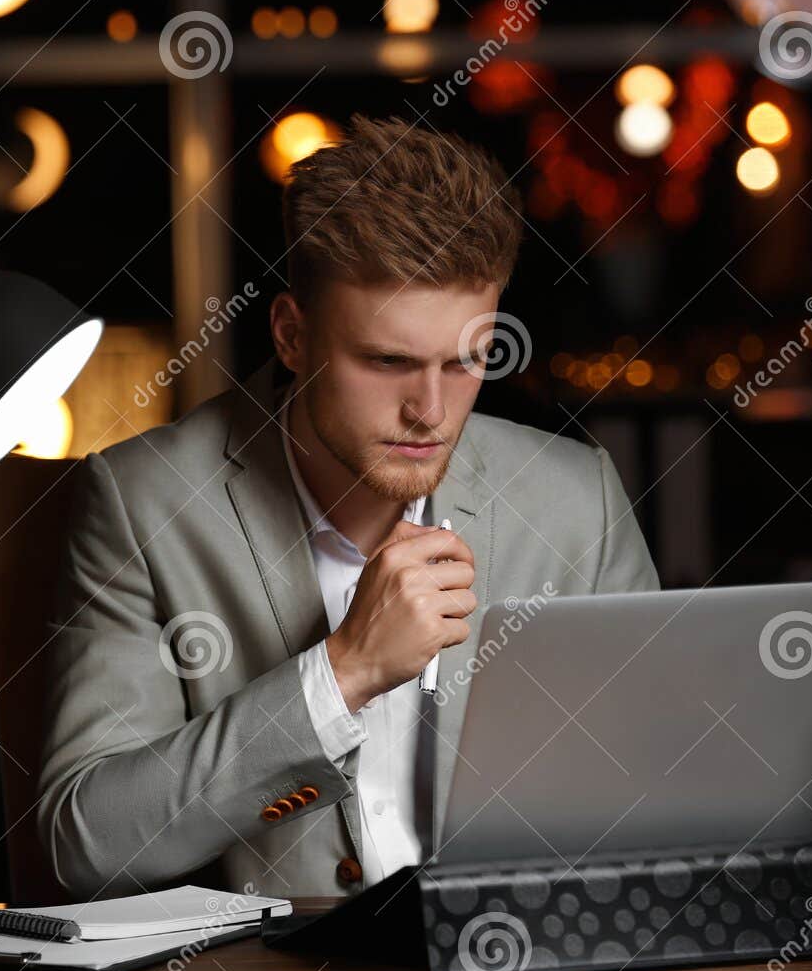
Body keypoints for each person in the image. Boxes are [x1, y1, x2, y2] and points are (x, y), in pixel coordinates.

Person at [37, 115, 658, 899]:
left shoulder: (576, 498)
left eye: (468, 359)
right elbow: (88, 840)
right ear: (293, 337)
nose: (431, 411)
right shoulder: (144, 502)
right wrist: (341, 672)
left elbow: (663, 785)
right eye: (388, 361)